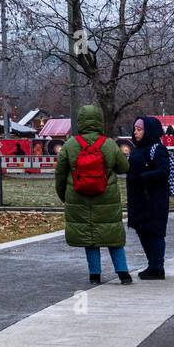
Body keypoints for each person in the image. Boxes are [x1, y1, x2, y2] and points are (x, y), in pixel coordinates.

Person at [54, 104, 132, 284]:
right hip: (107, 196)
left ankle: (95, 275)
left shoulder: (71, 144)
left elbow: (60, 174)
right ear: (99, 121)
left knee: (89, 237)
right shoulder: (109, 144)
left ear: (80, 121)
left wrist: (64, 195)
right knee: (113, 234)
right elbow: (124, 167)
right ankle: (123, 273)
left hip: (78, 196)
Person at [127, 116, 170, 280]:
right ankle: (152, 265)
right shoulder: (137, 148)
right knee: (142, 230)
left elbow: (164, 171)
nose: (135, 132)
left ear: (149, 131)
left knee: (155, 233)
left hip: (154, 199)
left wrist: (143, 177)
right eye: (135, 129)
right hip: (139, 199)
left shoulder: (157, 148)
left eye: (139, 129)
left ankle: (157, 267)